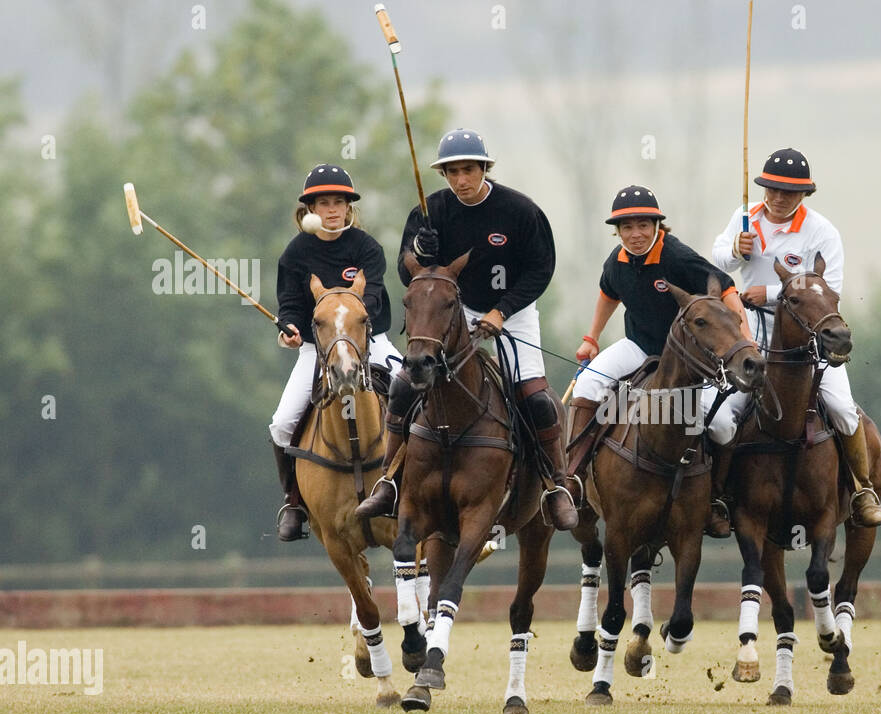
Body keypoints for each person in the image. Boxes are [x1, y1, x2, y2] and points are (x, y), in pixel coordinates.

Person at [355, 128, 578, 530]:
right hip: (449, 311)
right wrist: (421, 253)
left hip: (513, 311)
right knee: (406, 384)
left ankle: (555, 485)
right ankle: (388, 481)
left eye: (469, 170)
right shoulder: (429, 210)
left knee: (535, 397)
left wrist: (502, 311)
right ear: (444, 175)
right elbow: (411, 276)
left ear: (484, 168)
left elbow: (541, 269)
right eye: (453, 172)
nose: (462, 180)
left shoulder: (520, 211)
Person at [711, 147, 881, 530]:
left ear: (804, 194)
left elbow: (831, 288)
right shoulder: (744, 218)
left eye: (789, 192)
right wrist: (732, 251)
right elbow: (717, 261)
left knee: (840, 407)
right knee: (723, 412)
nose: (778, 197)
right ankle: (718, 496)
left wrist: (769, 293)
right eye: (772, 189)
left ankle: (861, 488)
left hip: (807, 334)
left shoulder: (822, 232)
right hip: (751, 329)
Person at [565, 185, 750, 497]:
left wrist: (745, 338)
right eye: (627, 227)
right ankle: (573, 477)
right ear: (618, 231)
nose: (635, 234)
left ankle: (717, 496)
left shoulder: (677, 256)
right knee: (586, 386)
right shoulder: (617, 261)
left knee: (720, 426)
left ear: (656, 226)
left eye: (643, 225)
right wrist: (591, 338)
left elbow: (726, 288)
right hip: (639, 346)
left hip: (690, 359)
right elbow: (609, 295)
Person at [269, 164, 402, 541]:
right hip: (317, 350)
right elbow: (290, 305)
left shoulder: (366, 248)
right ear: (310, 209)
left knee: (417, 397)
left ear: (348, 208)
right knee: (281, 424)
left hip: (369, 342)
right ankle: (294, 502)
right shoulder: (296, 253)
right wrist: (290, 329)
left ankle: (417, 487)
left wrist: (347, 320)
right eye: (323, 203)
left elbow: (372, 299)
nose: (331, 210)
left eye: (338, 202)